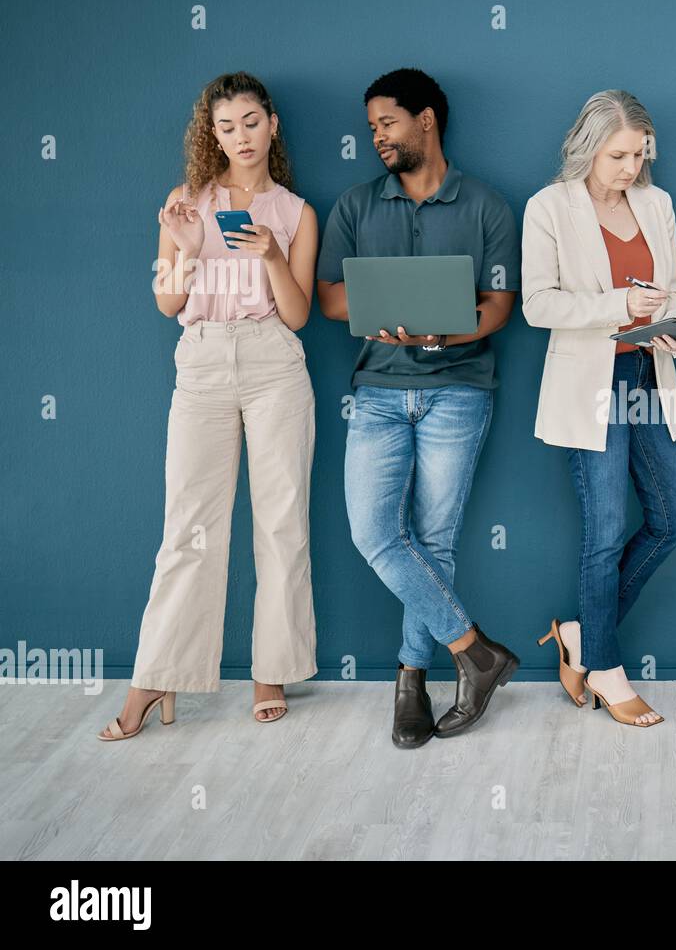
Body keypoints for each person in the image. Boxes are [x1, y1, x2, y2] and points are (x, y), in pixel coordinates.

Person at [100, 71, 319, 740]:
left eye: (252, 121)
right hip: (200, 361)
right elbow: (168, 301)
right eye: (227, 126)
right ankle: (157, 676)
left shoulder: (297, 212)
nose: (241, 137)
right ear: (212, 133)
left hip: (273, 361)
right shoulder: (185, 202)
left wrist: (275, 256)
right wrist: (189, 251)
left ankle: (270, 671)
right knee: (188, 528)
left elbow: (300, 313)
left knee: (281, 522)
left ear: (272, 124)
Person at [316, 68, 521, 749]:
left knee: (434, 541)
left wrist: (441, 331)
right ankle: (477, 653)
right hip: (377, 390)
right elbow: (331, 300)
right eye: (371, 126)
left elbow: (496, 308)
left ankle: (411, 681)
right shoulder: (355, 205)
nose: (376, 136)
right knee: (376, 534)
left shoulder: (487, 205)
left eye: (387, 122)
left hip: (459, 386)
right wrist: (389, 313)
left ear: (426, 120)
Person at [522, 90, 676, 728]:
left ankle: (579, 633)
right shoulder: (550, 207)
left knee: (674, 519)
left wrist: (672, 326)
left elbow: (669, 290)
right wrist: (621, 307)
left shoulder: (657, 204)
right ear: (589, 145)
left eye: (639, 155)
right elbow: (538, 305)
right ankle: (607, 668)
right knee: (603, 533)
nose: (631, 168)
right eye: (619, 154)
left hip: (650, 373)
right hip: (588, 384)